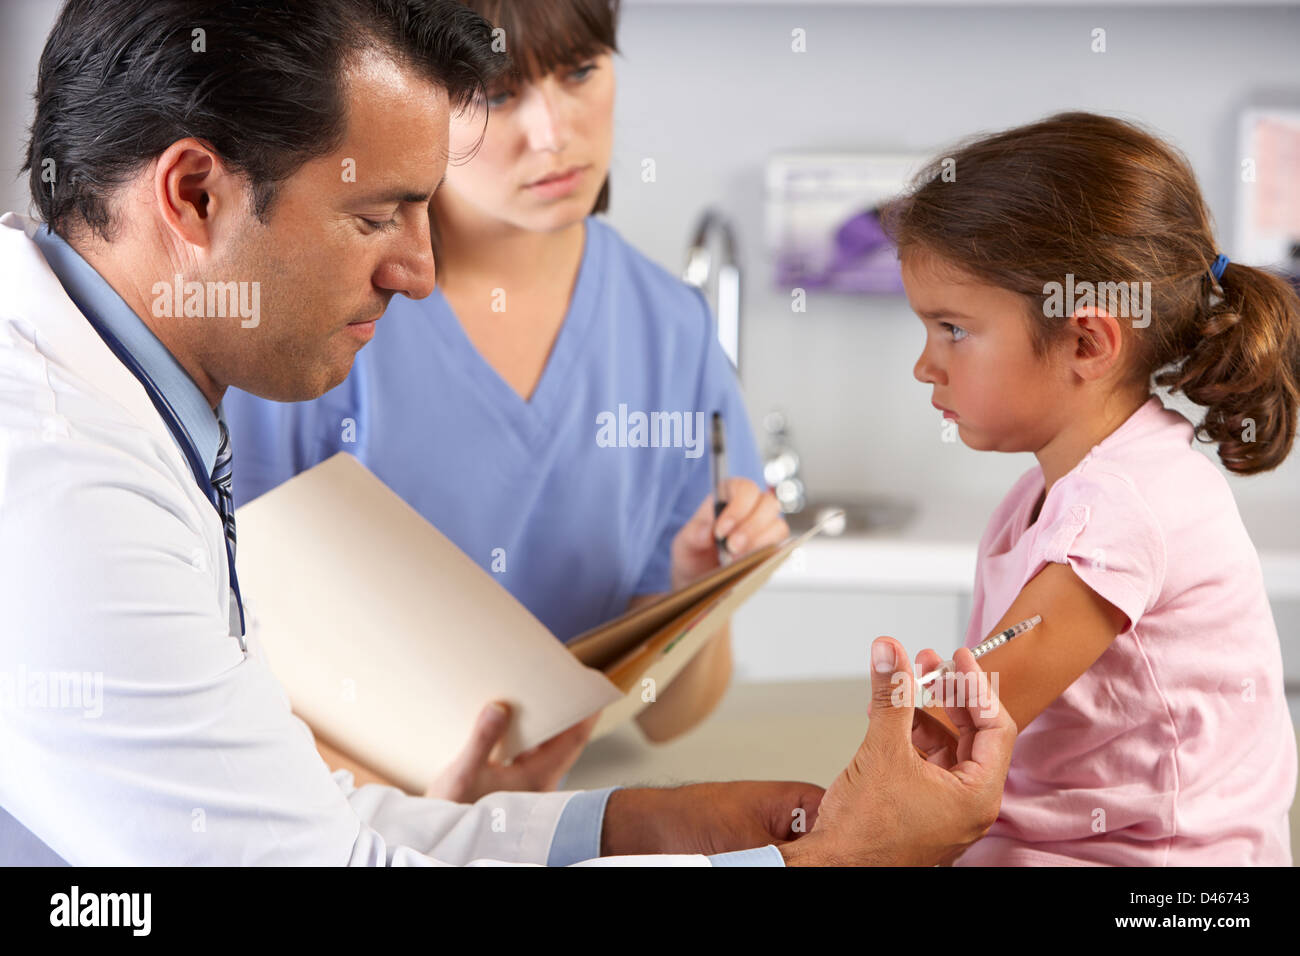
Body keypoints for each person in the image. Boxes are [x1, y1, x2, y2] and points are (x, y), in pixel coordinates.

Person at [0, 0, 1015, 866]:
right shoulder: (63, 489)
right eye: (375, 216)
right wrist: (828, 859)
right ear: (193, 193)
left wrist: (631, 821)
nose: (418, 273)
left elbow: (297, 815)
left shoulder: (122, 395)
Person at [222, 0, 784, 800]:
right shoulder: (321, 318)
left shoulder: (671, 329)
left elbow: (665, 720)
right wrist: (426, 814)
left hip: (565, 812)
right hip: (339, 820)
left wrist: (699, 591)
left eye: (580, 71)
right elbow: (226, 648)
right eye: (494, 95)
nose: (552, 135)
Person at [887, 111, 1298, 865]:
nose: (926, 365)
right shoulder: (1056, 493)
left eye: (952, 328)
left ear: (1085, 342)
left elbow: (965, 719)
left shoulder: (1119, 505)